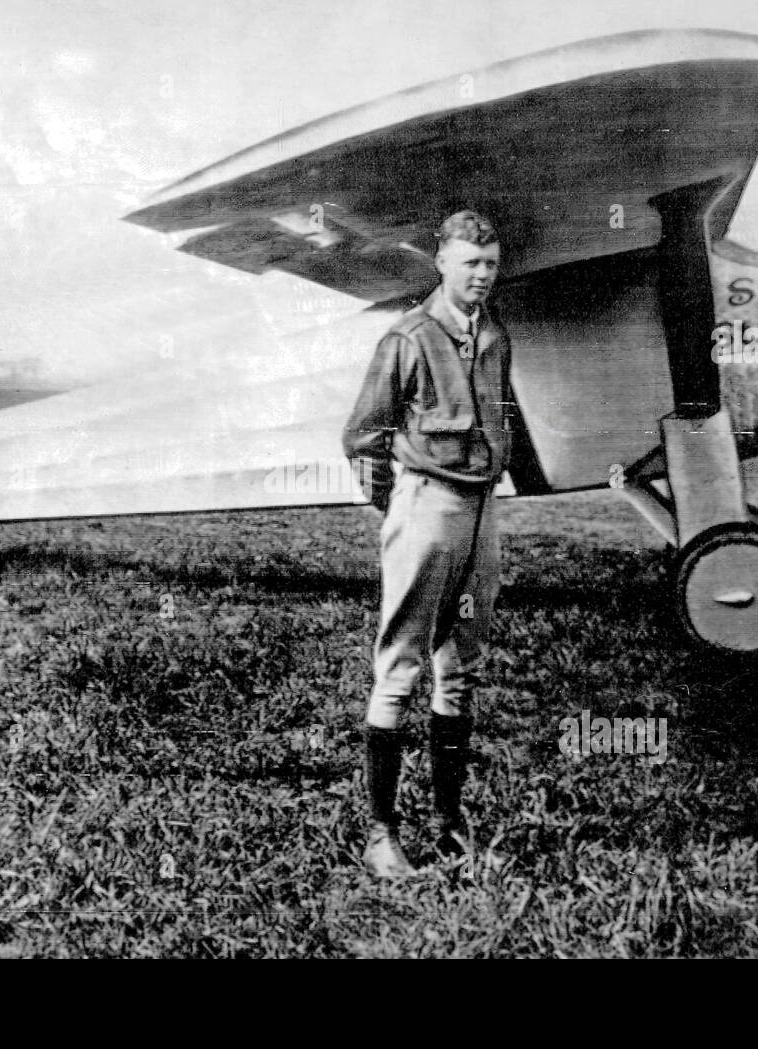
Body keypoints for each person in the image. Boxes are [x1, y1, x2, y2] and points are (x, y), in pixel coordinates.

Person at [341, 210, 513, 878]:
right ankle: (380, 833)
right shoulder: (409, 336)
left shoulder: (496, 335)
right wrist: (402, 508)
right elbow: (364, 435)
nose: (482, 276)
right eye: (470, 263)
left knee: (461, 661)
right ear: (441, 262)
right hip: (427, 504)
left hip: (481, 509)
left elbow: (502, 416)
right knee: (403, 661)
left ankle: (449, 823)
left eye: (491, 264)